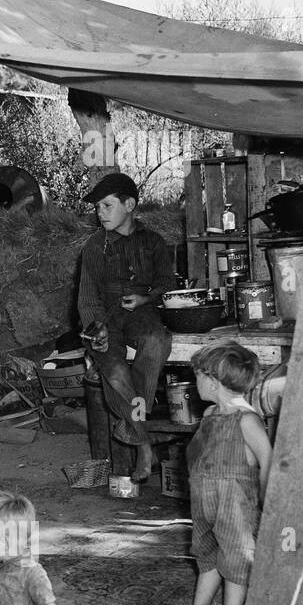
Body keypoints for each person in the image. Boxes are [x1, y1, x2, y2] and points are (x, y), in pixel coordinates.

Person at [78, 172, 179, 482]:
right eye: (97, 207)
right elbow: (86, 296)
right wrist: (97, 328)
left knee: (157, 339)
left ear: (130, 204)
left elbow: (167, 283)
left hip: (139, 310)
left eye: (107, 206)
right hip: (103, 314)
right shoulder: (95, 245)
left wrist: (146, 298)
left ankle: (134, 429)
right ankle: (145, 443)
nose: (100, 213)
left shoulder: (154, 242)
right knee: (116, 371)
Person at [178, 342, 272, 605]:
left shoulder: (247, 420)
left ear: (212, 381)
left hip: (236, 503)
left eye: (197, 377)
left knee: (236, 558)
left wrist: (265, 505)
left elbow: (268, 461)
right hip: (205, 498)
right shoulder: (210, 414)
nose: (195, 383)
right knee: (206, 555)